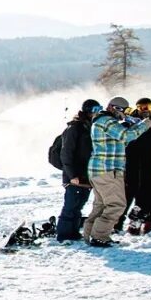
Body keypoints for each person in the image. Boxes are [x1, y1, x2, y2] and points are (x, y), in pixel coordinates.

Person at [85, 96, 151, 247]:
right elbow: (126, 136)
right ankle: (99, 237)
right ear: (114, 108)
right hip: (108, 170)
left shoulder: (104, 121)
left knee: (101, 205)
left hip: (100, 170)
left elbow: (123, 139)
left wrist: (130, 125)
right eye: (124, 111)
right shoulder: (107, 121)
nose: (125, 114)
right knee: (117, 205)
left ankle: (90, 235)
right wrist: (146, 123)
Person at [57, 99, 100, 241]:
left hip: (85, 174)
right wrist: (72, 175)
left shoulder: (91, 127)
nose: (96, 113)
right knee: (70, 206)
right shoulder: (75, 128)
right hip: (74, 175)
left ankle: (73, 232)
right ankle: (64, 235)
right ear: (87, 111)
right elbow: (66, 153)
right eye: (94, 110)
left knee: (79, 205)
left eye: (98, 110)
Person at [121, 97, 151, 230]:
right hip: (131, 161)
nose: (145, 110)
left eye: (148, 107)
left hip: (148, 162)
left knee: (144, 193)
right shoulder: (130, 120)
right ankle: (117, 222)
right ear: (137, 107)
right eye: (142, 107)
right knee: (128, 192)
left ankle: (136, 220)